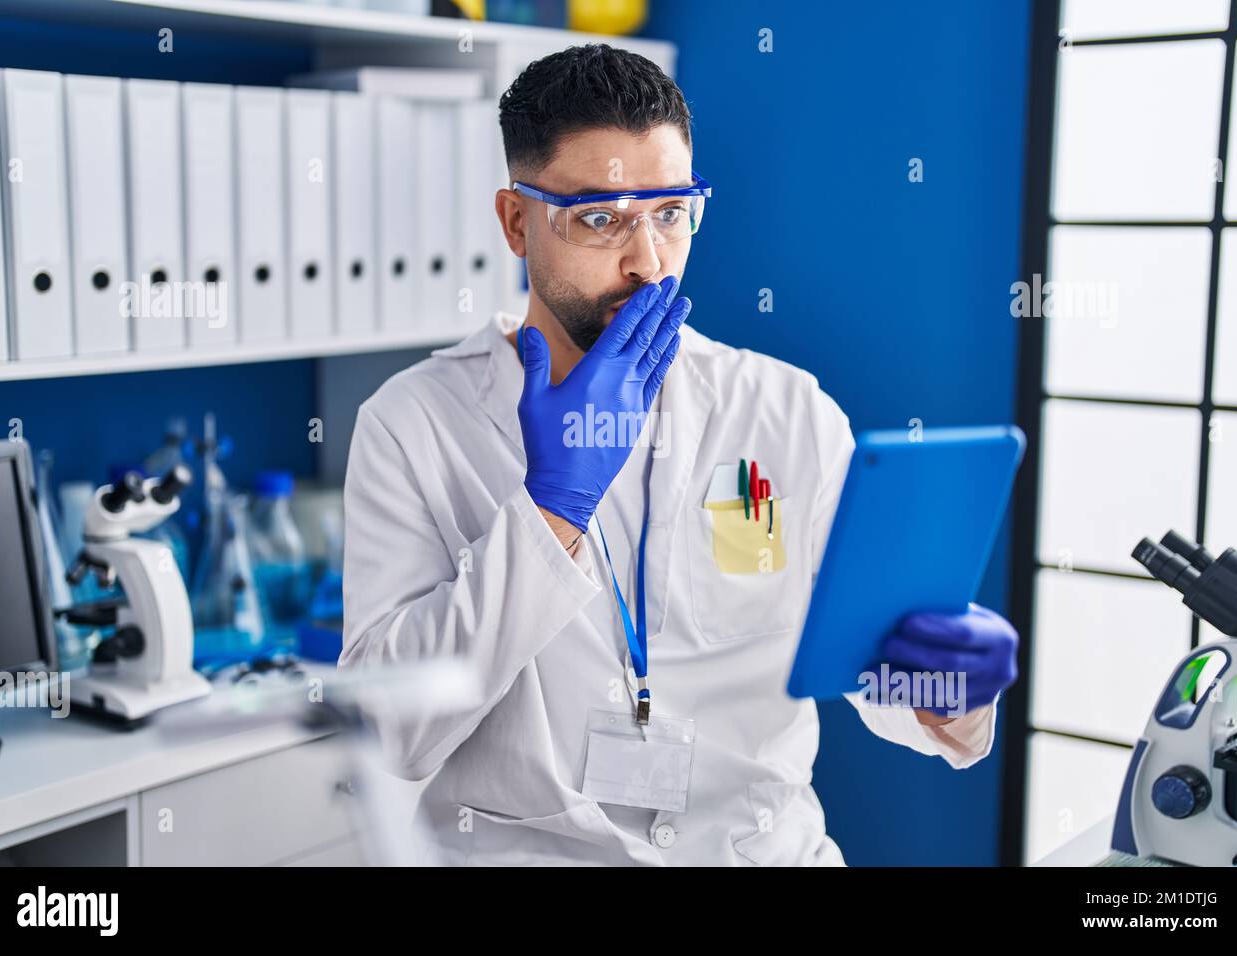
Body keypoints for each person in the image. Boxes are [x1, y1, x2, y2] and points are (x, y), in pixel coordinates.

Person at [340, 43, 1018, 866]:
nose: (648, 261)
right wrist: (553, 509)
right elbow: (389, 729)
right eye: (601, 218)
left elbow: (883, 683)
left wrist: (949, 683)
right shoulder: (412, 423)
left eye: (669, 212)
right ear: (517, 222)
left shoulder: (786, 410)